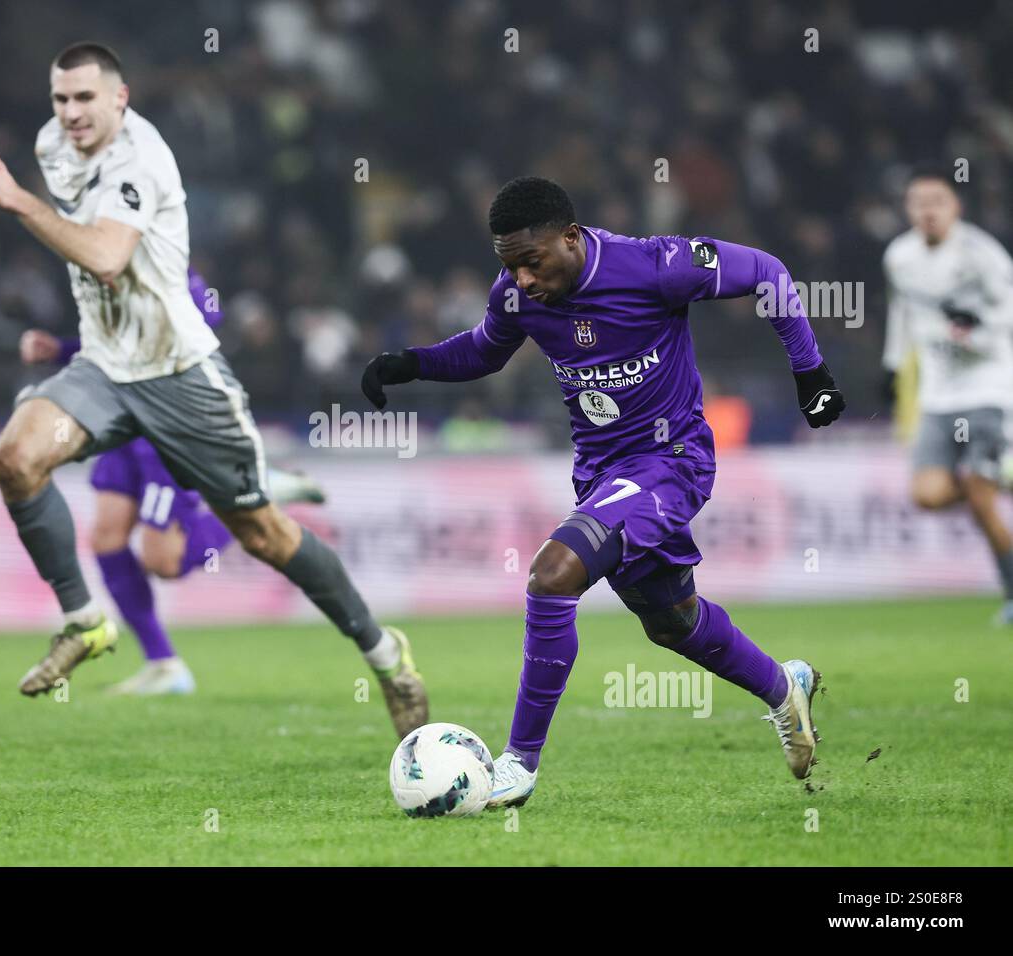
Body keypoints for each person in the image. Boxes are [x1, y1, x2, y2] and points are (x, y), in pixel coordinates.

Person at [0, 41, 426, 737]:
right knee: (16, 458)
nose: (71, 113)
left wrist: (19, 204)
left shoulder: (140, 160)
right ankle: (84, 622)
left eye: (86, 98)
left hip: (181, 374)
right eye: (61, 98)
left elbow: (109, 259)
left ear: (121, 98)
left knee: (262, 535)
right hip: (108, 367)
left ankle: (385, 655)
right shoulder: (52, 145)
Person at [362, 176, 845, 807]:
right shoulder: (517, 292)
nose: (523, 280)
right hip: (602, 475)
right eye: (509, 266)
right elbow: (484, 351)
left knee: (552, 574)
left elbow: (769, 273)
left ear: (570, 238)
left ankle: (519, 764)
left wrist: (810, 370)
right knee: (673, 623)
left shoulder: (655, 266)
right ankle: (785, 687)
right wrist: (411, 363)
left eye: (531, 262)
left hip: (672, 461)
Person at [17, 269, 326, 696]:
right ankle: (163, 664)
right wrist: (61, 349)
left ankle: (266, 490)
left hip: (166, 425)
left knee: (163, 562)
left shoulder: (170, 264)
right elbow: (110, 347)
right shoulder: (101, 260)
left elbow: (201, 327)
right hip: (118, 418)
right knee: (106, 537)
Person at [882, 168, 1013, 625]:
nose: (928, 210)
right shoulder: (899, 256)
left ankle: (1012, 592)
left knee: (979, 498)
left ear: (955, 206)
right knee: (928, 495)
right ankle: (998, 478)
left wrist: (974, 332)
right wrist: (894, 365)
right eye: (918, 202)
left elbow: (1008, 316)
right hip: (938, 398)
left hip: (988, 388)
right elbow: (903, 314)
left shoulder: (982, 255)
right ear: (909, 210)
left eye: (937, 200)